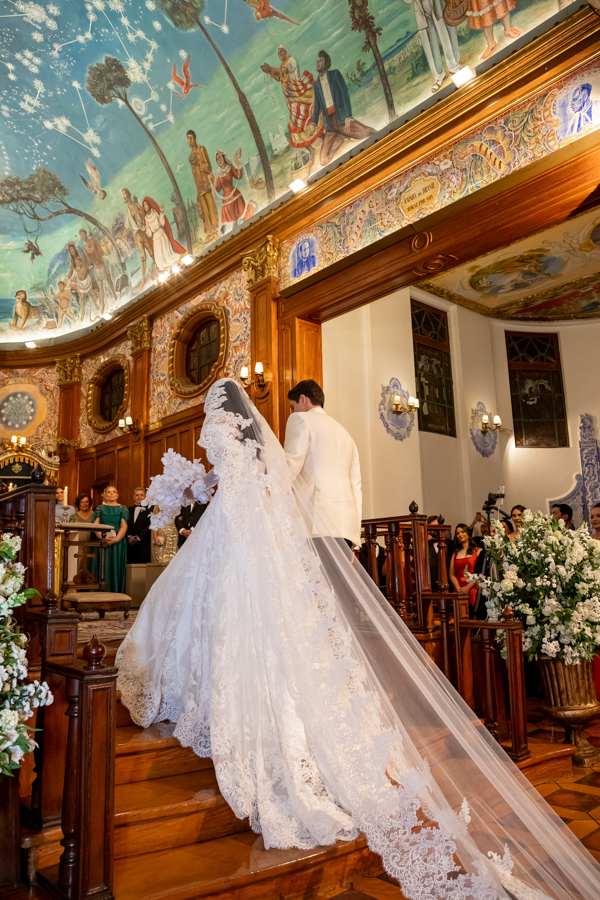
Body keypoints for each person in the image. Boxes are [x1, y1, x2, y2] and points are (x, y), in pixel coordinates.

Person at [116, 378, 600, 900]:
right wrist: (353, 535)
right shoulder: (344, 432)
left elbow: (288, 469)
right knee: (316, 619)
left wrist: (255, 503)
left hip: (294, 522)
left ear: (299, 402)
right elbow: (351, 481)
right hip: (336, 526)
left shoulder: (300, 423)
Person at [284, 379, 361, 546]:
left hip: (315, 520)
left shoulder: (301, 419)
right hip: (345, 525)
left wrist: (265, 490)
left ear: (303, 399)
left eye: (292, 406)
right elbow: (356, 487)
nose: (293, 411)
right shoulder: (345, 433)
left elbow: (290, 466)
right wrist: (355, 537)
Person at [311, 51, 376, 166]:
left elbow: (344, 93)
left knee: (369, 132)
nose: (317, 62)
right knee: (323, 161)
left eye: (320, 60)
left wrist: (348, 117)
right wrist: (313, 123)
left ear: (325, 62)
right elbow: (317, 106)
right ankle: (341, 136)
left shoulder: (335, 74)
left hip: (341, 118)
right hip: (330, 126)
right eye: (317, 60)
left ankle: (343, 134)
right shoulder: (316, 85)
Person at [260, 45, 324, 158]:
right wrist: (271, 72)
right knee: (296, 126)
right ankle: (311, 150)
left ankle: (324, 138)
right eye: (278, 54)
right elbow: (279, 77)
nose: (280, 55)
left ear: (285, 52)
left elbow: (284, 72)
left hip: (299, 93)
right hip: (291, 99)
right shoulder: (282, 64)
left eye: (281, 52)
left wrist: (271, 69)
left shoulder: (291, 61)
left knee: (310, 118)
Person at [403, 0, 461, 93]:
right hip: (421, 8)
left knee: (447, 30)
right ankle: (438, 76)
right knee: (429, 42)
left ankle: (454, 66)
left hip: (438, 2)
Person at [92, 486, 128, 593]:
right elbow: (95, 524)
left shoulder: (123, 509)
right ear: (104, 494)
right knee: (102, 566)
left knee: (115, 567)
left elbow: (124, 526)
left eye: (114, 492)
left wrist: (116, 539)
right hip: (102, 540)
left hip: (118, 541)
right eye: (109, 492)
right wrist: (103, 537)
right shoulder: (100, 508)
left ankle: (115, 594)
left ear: (117, 495)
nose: (111, 494)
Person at [187, 131, 219, 244]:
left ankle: (215, 231)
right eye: (188, 139)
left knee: (210, 205)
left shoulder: (202, 149)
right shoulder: (190, 157)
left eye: (191, 138)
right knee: (205, 210)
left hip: (206, 183)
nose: (189, 141)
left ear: (195, 138)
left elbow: (208, 167)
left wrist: (198, 164)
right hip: (199, 187)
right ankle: (210, 233)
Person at [122, 188, 155, 290]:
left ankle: (158, 265)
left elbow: (143, 214)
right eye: (123, 196)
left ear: (128, 195)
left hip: (143, 233)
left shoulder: (136, 205)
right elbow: (127, 227)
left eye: (125, 194)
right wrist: (122, 236)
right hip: (137, 236)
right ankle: (143, 279)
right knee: (142, 257)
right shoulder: (127, 212)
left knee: (150, 251)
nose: (125, 197)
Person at [142, 197, 185, 272]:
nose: (145, 206)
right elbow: (149, 234)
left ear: (149, 205)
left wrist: (161, 213)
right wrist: (145, 229)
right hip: (156, 237)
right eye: (144, 205)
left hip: (161, 234)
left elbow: (162, 223)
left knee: (168, 255)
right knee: (160, 258)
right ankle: (166, 269)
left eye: (146, 204)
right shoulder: (146, 218)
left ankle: (173, 266)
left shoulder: (154, 212)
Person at [79, 228, 115, 312]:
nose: (81, 237)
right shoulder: (85, 247)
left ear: (85, 234)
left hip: (102, 264)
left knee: (109, 280)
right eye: (80, 236)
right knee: (100, 287)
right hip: (96, 268)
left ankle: (114, 294)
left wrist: (97, 246)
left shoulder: (93, 241)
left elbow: (101, 252)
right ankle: (103, 304)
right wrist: (85, 265)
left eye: (82, 235)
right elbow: (89, 259)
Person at [214, 149, 248, 234]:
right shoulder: (218, 173)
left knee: (239, 221)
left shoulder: (229, 166)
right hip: (226, 200)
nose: (219, 160)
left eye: (220, 157)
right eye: (217, 159)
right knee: (231, 226)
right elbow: (217, 189)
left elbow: (238, 176)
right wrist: (212, 182)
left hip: (235, 196)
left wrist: (237, 162)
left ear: (223, 157)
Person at [449, 523, 481, 609]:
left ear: (468, 533)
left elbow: (480, 572)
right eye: (457, 533)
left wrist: (468, 587)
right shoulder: (455, 553)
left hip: (473, 587)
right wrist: (458, 588)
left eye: (462, 532)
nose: (460, 535)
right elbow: (451, 574)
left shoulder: (478, 551)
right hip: (459, 589)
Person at [69, 493, 97, 579]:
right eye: (82, 502)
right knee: (78, 567)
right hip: (78, 547)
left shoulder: (95, 515)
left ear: (89, 503)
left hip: (93, 545)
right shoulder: (74, 516)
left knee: (91, 567)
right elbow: (70, 532)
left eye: (86, 502)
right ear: (78, 503)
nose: (84, 504)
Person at [127, 487, 152, 564]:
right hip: (130, 544)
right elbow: (124, 524)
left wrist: (138, 537)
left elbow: (150, 525)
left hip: (144, 543)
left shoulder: (150, 509)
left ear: (145, 496)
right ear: (134, 497)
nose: (139, 497)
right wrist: (129, 537)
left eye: (141, 495)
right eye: (137, 495)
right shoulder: (128, 510)